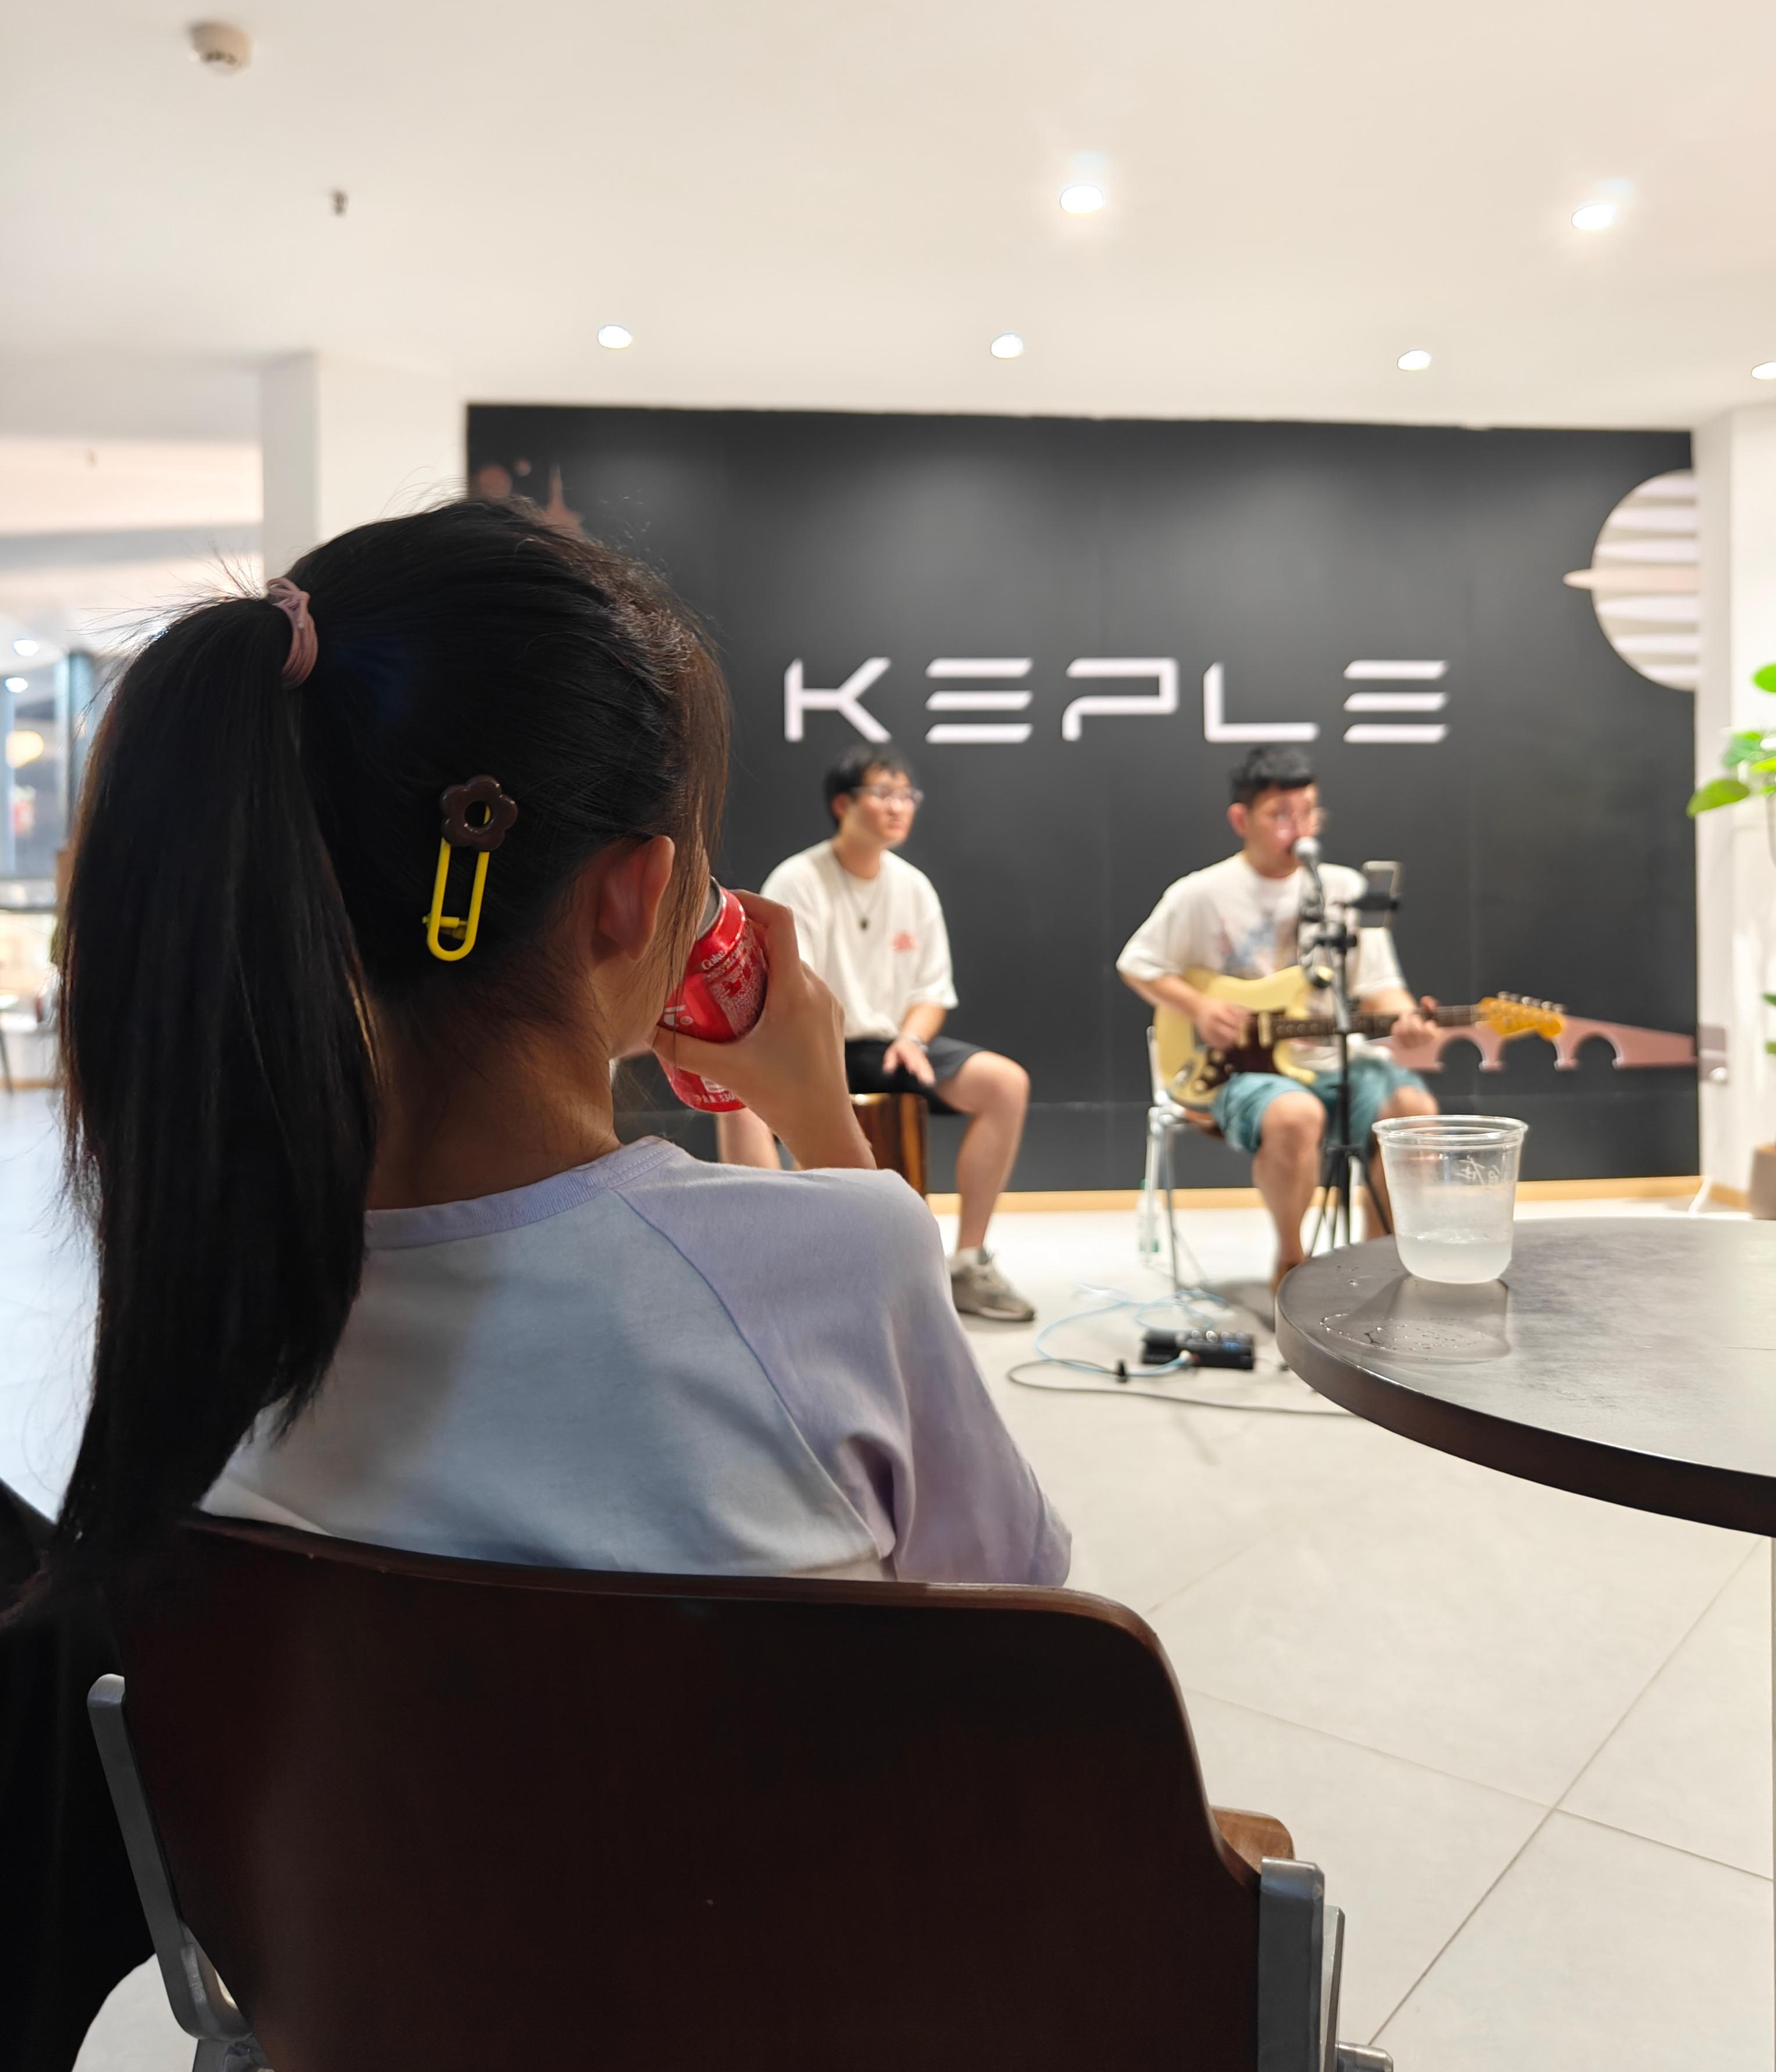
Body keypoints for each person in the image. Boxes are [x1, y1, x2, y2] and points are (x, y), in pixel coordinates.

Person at [35, 499, 1067, 1602]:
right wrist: (827, 1132)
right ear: (635, 894)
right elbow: (1016, 1617)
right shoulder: (844, 1257)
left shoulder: (199, 1295)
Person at [717, 746, 1035, 1323]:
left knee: (1005, 1084)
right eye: (883, 793)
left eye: (906, 795)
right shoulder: (798, 879)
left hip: (890, 1046)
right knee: (738, 1105)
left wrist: (912, 1039)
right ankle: (772, 1263)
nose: (898, 806)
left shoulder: (913, 887)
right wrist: (817, 1060)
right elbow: (793, 992)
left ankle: (968, 1262)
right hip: (811, 1041)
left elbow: (932, 992)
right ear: (843, 804)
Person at [1116, 744, 1441, 1285]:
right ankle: (1293, 1265)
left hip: (1333, 1057)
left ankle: (1379, 1262)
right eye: (1281, 815)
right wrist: (1200, 1007)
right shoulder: (1200, 894)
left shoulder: (1343, 890)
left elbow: (1381, 987)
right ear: (1241, 820)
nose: (1301, 829)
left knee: (1413, 1110)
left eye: (1310, 812)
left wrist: (1407, 1019)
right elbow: (1138, 964)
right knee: (1296, 1115)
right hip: (1242, 1067)